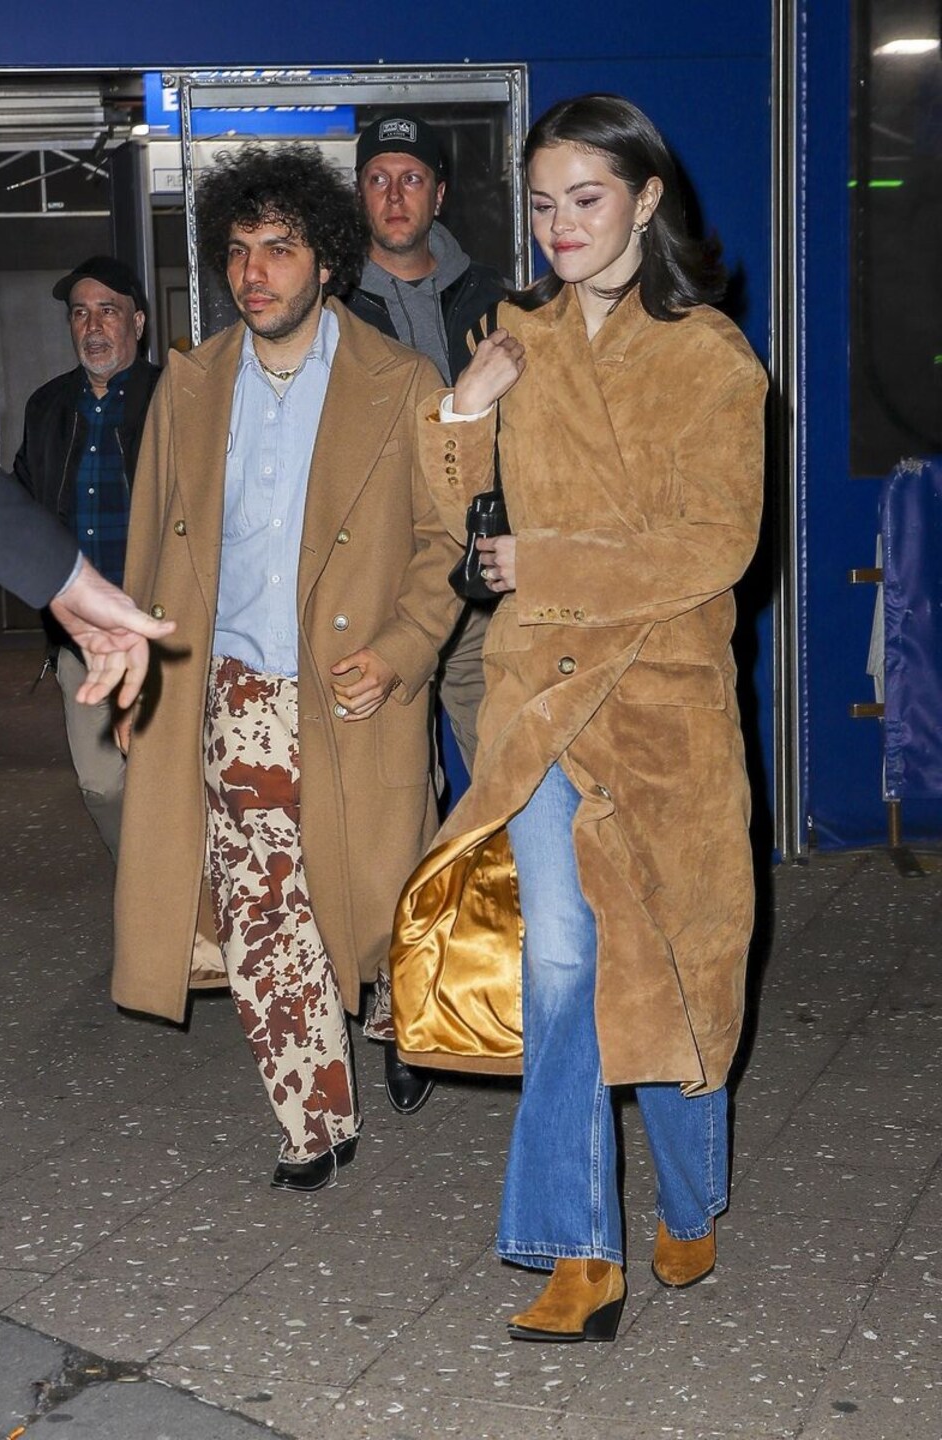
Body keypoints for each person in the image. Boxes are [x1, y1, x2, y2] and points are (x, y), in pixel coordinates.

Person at [392, 93, 767, 1341]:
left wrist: (540, 560)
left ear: (648, 199)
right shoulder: (513, 335)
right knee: (561, 964)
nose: (559, 226)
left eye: (587, 199)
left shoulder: (714, 358)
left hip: (664, 707)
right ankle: (575, 1248)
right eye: (543, 203)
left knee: (676, 960)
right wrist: (463, 410)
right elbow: (457, 519)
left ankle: (695, 1192)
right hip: (544, 702)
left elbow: (713, 545)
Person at [111, 143, 460, 1193]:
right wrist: (137, 661)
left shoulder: (402, 383)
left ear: (326, 257)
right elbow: (148, 538)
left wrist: (400, 653)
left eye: (278, 246)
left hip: (351, 689)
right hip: (234, 690)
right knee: (264, 905)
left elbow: (447, 546)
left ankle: (403, 1017)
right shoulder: (190, 381)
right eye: (236, 249)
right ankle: (315, 1114)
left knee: (370, 897)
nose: (252, 271)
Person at [347, 110, 507, 1114]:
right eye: (379, 177)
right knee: (393, 803)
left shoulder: (494, 301)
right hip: (381, 593)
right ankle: (401, 1006)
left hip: (480, 590)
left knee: (495, 783)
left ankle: (487, 981)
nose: (397, 193)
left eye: (413, 177)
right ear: (360, 195)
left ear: (439, 194)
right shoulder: (330, 304)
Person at [12, 256, 161, 856]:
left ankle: (176, 917)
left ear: (138, 322)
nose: (93, 326)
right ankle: (144, 892)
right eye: (80, 313)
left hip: (162, 626)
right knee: (102, 786)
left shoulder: (175, 398)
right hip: (82, 636)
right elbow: (23, 503)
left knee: (171, 782)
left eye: (108, 310)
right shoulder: (47, 406)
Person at [0, 454, 174, 706]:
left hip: (113, 611)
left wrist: (69, 580)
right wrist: (68, 578)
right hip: (75, 635)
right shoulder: (47, 415)